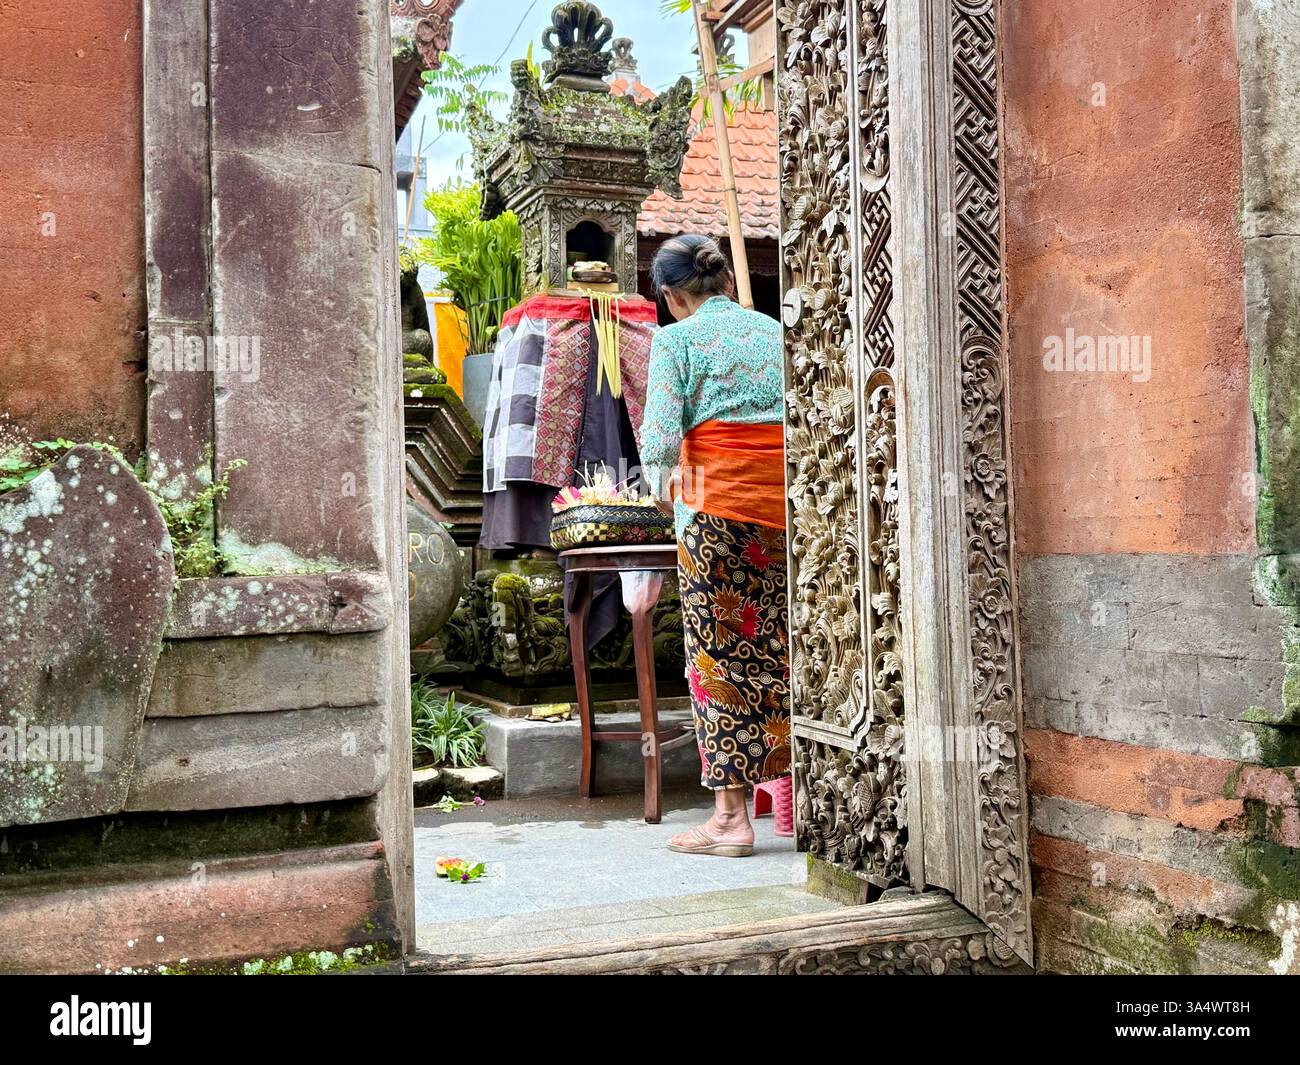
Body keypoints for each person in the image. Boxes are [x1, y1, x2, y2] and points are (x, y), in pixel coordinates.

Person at [639, 234, 789, 858]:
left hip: (717, 512)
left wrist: (658, 494)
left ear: (672, 296)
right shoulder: (774, 332)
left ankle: (729, 820)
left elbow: (658, 442)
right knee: (785, 649)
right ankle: (795, 799)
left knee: (718, 659)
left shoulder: (675, 340)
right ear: (725, 282)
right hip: (784, 511)